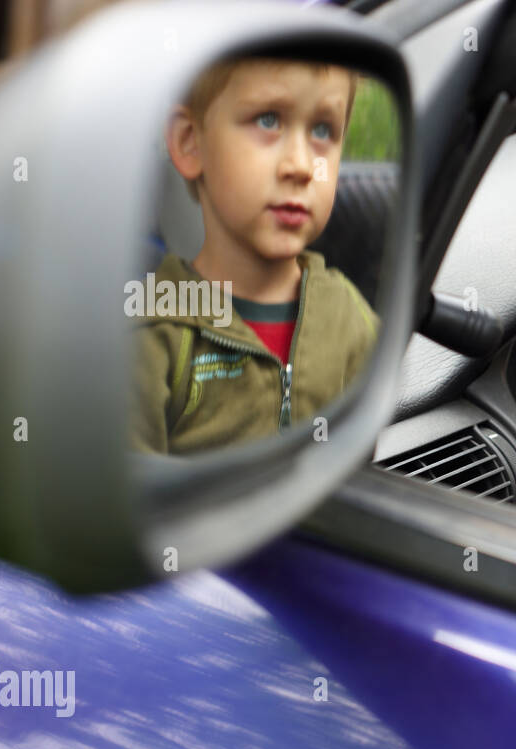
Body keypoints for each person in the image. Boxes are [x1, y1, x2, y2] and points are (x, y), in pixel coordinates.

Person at [131, 58, 380, 454]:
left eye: (322, 130)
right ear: (189, 141)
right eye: (268, 121)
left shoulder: (353, 319)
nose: (300, 166)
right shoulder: (150, 336)